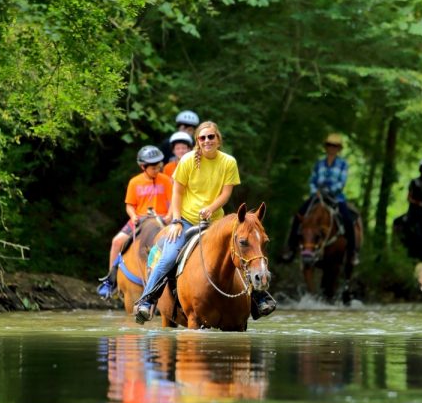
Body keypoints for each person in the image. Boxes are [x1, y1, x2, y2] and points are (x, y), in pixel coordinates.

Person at [133, 121, 276, 323]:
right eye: (203, 137)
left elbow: (226, 193)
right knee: (168, 256)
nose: (207, 141)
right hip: (186, 220)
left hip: (216, 222)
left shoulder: (228, 162)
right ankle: (146, 301)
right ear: (197, 141)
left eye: (211, 137)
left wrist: (211, 208)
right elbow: (177, 192)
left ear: (218, 140)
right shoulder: (187, 161)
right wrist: (175, 221)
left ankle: (259, 296)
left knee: (239, 252)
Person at [96, 146, 173, 299]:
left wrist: (170, 216)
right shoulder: (134, 182)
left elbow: (173, 202)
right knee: (117, 241)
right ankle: (111, 280)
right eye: (153, 167)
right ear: (143, 166)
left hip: (161, 220)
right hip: (140, 219)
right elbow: (129, 205)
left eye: (159, 166)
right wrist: (133, 216)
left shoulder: (166, 180)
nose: (157, 169)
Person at [281, 132, 358, 264]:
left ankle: (352, 253)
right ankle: (291, 249)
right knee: (298, 216)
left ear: (339, 149)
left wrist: (330, 191)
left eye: (335, 146)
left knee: (348, 220)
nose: (332, 148)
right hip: (316, 196)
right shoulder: (319, 163)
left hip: (335, 197)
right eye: (329, 145)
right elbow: (312, 180)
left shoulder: (343, 164)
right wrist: (314, 191)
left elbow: (342, 182)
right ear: (326, 147)